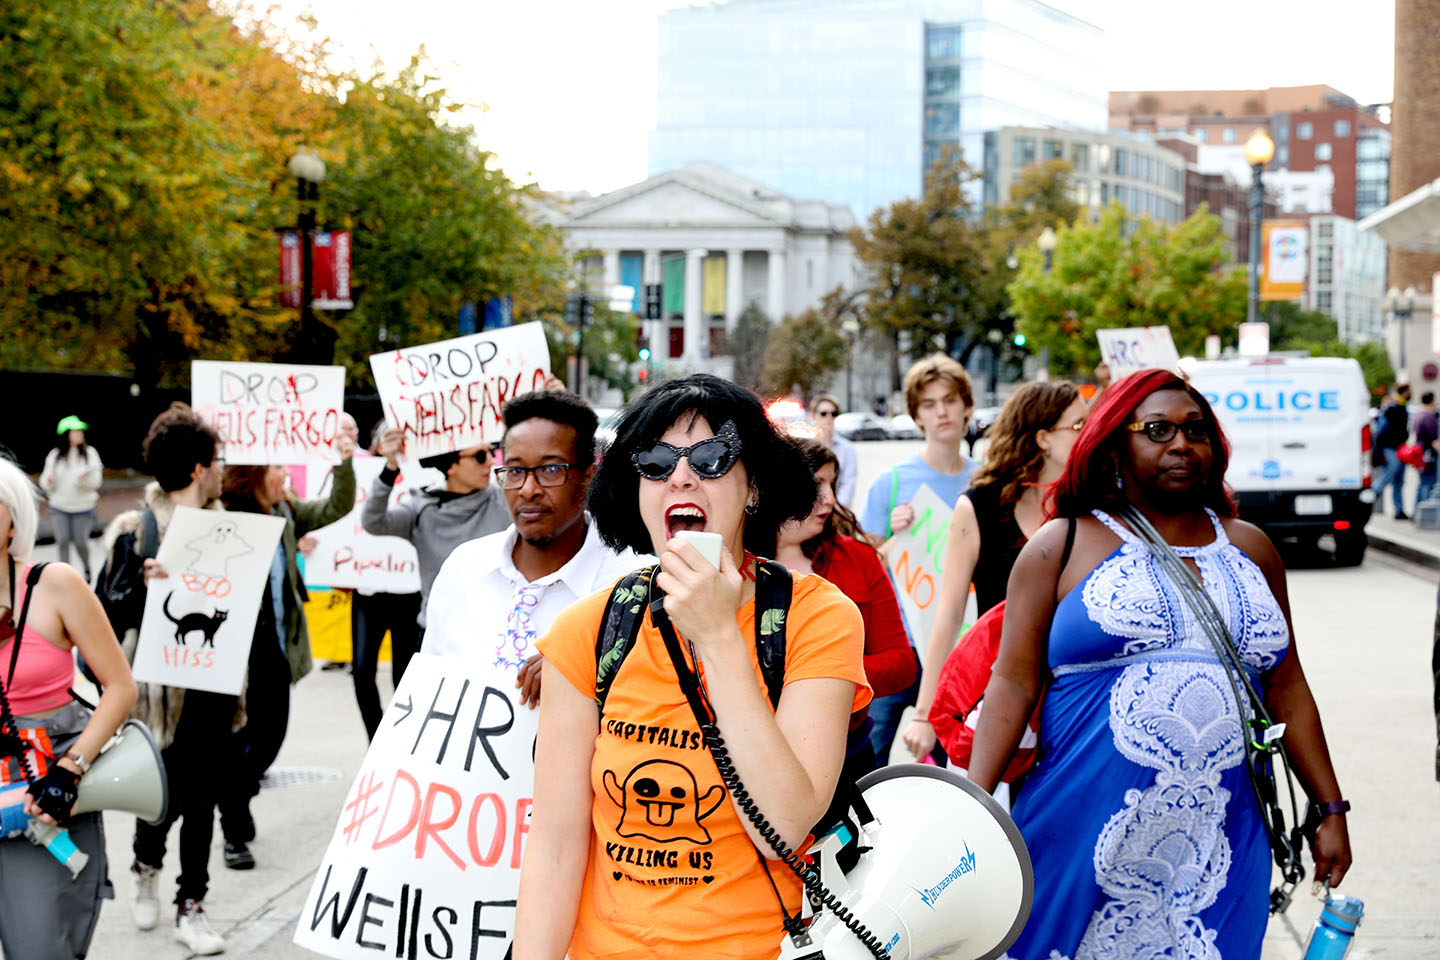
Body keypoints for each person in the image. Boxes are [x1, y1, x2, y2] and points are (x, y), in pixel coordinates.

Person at [967, 369, 1352, 960]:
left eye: (1195, 430)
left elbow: (1287, 686)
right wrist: (971, 806)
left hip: (1224, 829)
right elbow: (1012, 683)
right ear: (1115, 445)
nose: (1181, 444)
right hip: (1081, 823)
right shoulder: (1060, 545)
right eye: (1158, 430)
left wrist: (1329, 807)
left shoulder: (1252, 549)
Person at [514, 374, 870, 960]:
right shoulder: (588, 629)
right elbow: (554, 848)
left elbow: (781, 828)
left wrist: (717, 637)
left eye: (709, 458)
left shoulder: (818, 618)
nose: (680, 476)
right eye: (654, 462)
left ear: (752, 485)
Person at [97, 403, 234, 954]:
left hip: (217, 690)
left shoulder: (233, 528)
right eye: (218, 460)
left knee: (203, 803)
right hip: (155, 701)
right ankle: (145, 866)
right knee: (161, 800)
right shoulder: (135, 530)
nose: (224, 469)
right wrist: (143, 586)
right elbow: (104, 614)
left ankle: (191, 905)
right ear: (200, 468)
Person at [901, 380, 1086, 765]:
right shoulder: (979, 507)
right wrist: (924, 715)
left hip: (1076, 695)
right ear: (1043, 438)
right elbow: (948, 616)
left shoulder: (1088, 504)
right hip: (1000, 697)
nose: (1089, 434)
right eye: (1078, 426)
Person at [0, 456, 137, 959]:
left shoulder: (54, 583)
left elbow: (120, 687)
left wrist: (71, 767)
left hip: (45, 797)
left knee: (39, 947)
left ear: (13, 517)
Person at [424, 391, 647, 698]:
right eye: (515, 471)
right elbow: (429, 694)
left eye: (551, 470)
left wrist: (581, 673)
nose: (529, 490)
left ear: (588, 478)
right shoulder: (463, 569)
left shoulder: (634, 588)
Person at [216, 433, 356, 871]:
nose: (285, 474)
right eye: (277, 467)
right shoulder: (225, 517)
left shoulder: (286, 512)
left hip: (276, 649)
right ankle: (233, 828)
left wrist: (345, 461)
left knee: (269, 740)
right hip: (236, 658)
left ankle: (239, 796)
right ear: (255, 474)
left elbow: (336, 506)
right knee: (241, 741)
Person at [774, 437, 915, 813]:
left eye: (832, 484)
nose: (829, 498)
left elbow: (902, 662)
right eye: (816, 483)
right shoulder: (738, 562)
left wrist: (826, 680)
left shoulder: (859, 559)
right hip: (761, 756)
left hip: (850, 752)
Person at [859, 353, 977, 761]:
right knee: (867, 764)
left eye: (949, 400)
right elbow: (866, 571)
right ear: (917, 416)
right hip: (902, 647)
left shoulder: (987, 480)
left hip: (963, 650)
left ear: (967, 406)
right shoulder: (889, 484)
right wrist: (897, 537)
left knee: (952, 773)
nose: (941, 411)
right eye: (929, 404)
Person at [361, 429, 510, 634]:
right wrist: (390, 468)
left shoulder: (505, 500)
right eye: (480, 456)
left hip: (496, 629)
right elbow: (374, 522)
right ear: (451, 466)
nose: (491, 462)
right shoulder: (421, 508)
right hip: (438, 631)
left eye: (491, 452)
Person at [349, 420, 424, 740]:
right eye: (387, 440)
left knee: (403, 676)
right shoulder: (357, 473)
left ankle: (400, 742)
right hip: (369, 590)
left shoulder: (422, 477)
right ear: (376, 444)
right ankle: (376, 740)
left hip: (409, 592)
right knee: (362, 671)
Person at [39, 415, 104, 582]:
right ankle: (65, 576)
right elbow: (45, 481)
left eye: (80, 431)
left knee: (81, 541)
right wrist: (49, 481)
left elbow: (97, 481)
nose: (79, 434)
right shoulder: (55, 457)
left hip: (83, 507)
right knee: (62, 540)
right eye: (75, 431)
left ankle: (87, 568)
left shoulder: (90, 454)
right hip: (59, 506)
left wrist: (84, 481)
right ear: (66, 434)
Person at [808, 393, 857, 506]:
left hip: (836, 510)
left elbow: (848, 484)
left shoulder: (847, 449)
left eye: (833, 413)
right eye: (823, 413)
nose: (829, 418)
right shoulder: (804, 446)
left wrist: (835, 509)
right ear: (814, 416)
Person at [1372, 382, 1412, 519]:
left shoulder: (1400, 406)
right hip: (1391, 448)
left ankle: (1399, 510)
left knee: (1399, 480)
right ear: (1405, 391)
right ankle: (1372, 494)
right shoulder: (1393, 408)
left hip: (1398, 448)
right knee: (1388, 474)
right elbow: (1383, 431)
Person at [1415, 391, 1437, 507]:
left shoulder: (1419, 414)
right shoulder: (1429, 416)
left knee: (1422, 484)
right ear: (1432, 401)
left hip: (1420, 453)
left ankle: (1416, 512)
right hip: (1428, 455)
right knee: (1428, 484)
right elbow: (1434, 440)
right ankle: (1424, 510)